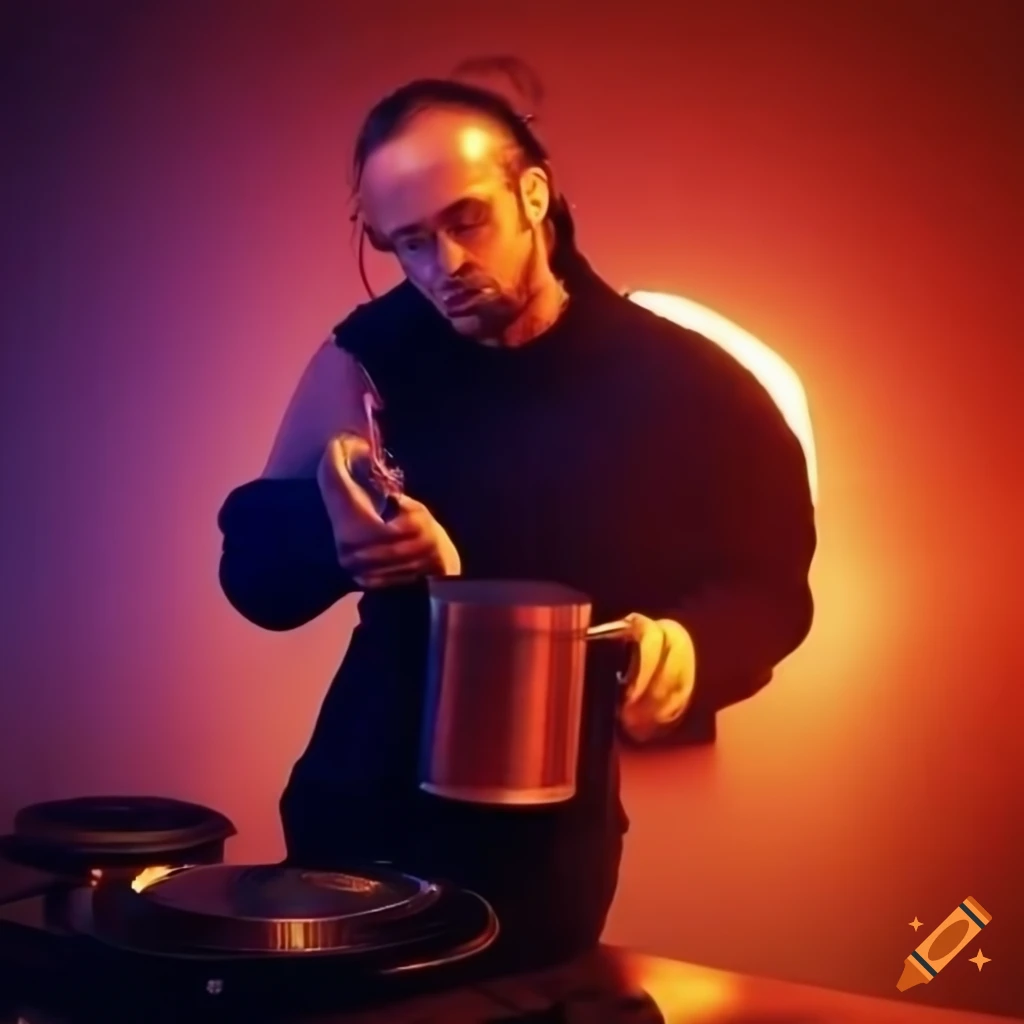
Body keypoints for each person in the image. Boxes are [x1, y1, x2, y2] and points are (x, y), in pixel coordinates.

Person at [216, 70, 816, 974]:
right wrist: (334, 539)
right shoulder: (369, 354)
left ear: (532, 192)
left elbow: (770, 588)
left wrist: (692, 650)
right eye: (407, 243)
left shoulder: (688, 381)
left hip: (540, 841)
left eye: (466, 223)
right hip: (355, 804)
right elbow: (253, 576)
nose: (440, 269)